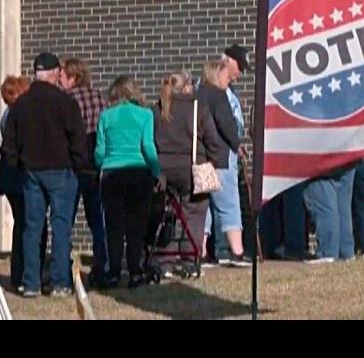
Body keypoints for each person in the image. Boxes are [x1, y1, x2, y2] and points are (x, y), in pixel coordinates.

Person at [1, 52, 87, 297]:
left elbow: (9, 144)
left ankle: (31, 283)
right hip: (61, 170)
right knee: (60, 226)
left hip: (31, 171)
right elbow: (77, 139)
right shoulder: (65, 102)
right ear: (55, 73)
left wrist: (19, 164)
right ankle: (60, 282)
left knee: (32, 227)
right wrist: (78, 165)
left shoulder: (20, 105)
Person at [152, 71, 227, 272]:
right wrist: (213, 162)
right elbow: (213, 141)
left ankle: (163, 261)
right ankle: (189, 261)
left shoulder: (158, 108)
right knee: (193, 215)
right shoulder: (198, 108)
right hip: (192, 168)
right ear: (186, 86)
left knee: (166, 214)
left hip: (163, 170)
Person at [94, 76, 162, 288]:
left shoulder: (106, 116)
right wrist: (157, 171)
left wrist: (101, 165)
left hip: (112, 173)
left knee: (113, 227)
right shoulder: (145, 114)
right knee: (136, 226)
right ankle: (135, 272)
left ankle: (113, 272)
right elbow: (148, 146)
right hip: (139, 173)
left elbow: (100, 150)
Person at [196, 52, 249, 267]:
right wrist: (237, 144)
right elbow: (226, 124)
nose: (229, 81)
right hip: (221, 157)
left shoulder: (197, 95)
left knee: (204, 206)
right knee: (229, 204)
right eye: (227, 77)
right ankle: (237, 251)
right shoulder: (218, 96)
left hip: (201, 158)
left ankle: (201, 252)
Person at [0, 75, 48, 292]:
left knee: (22, 224)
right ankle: (28, 272)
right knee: (32, 224)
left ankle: (20, 273)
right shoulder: (18, 114)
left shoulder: (6, 115)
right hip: (20, 174)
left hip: (9, 175)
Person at [60, 57, 108, 282]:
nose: (60, 80)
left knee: (65, 218)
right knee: (97, 219)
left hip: (73, 163)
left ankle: (63, 266)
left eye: (62, 76)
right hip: (95, 164)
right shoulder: (99, 97)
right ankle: (102, 264)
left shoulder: (67, 100)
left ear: (73, 77)